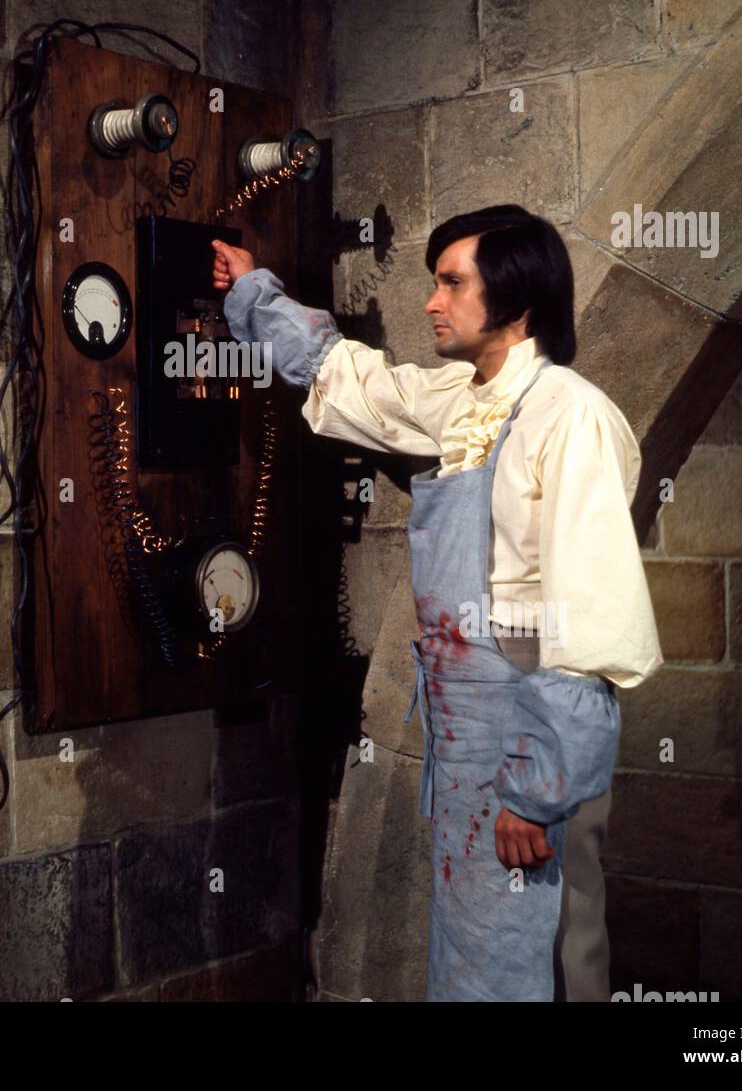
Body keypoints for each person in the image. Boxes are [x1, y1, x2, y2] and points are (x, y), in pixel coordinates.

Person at [211, 204, 662, 1002]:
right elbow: (353, 379)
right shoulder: (466, 400)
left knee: (515, 966)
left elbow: (589, 622)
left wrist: (535, 787)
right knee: (468, 965)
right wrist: (253, 296)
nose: (431, 302)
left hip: (525, 733)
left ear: (517, 300)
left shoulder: (571, 416)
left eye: (452, 283)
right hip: (464, 740)